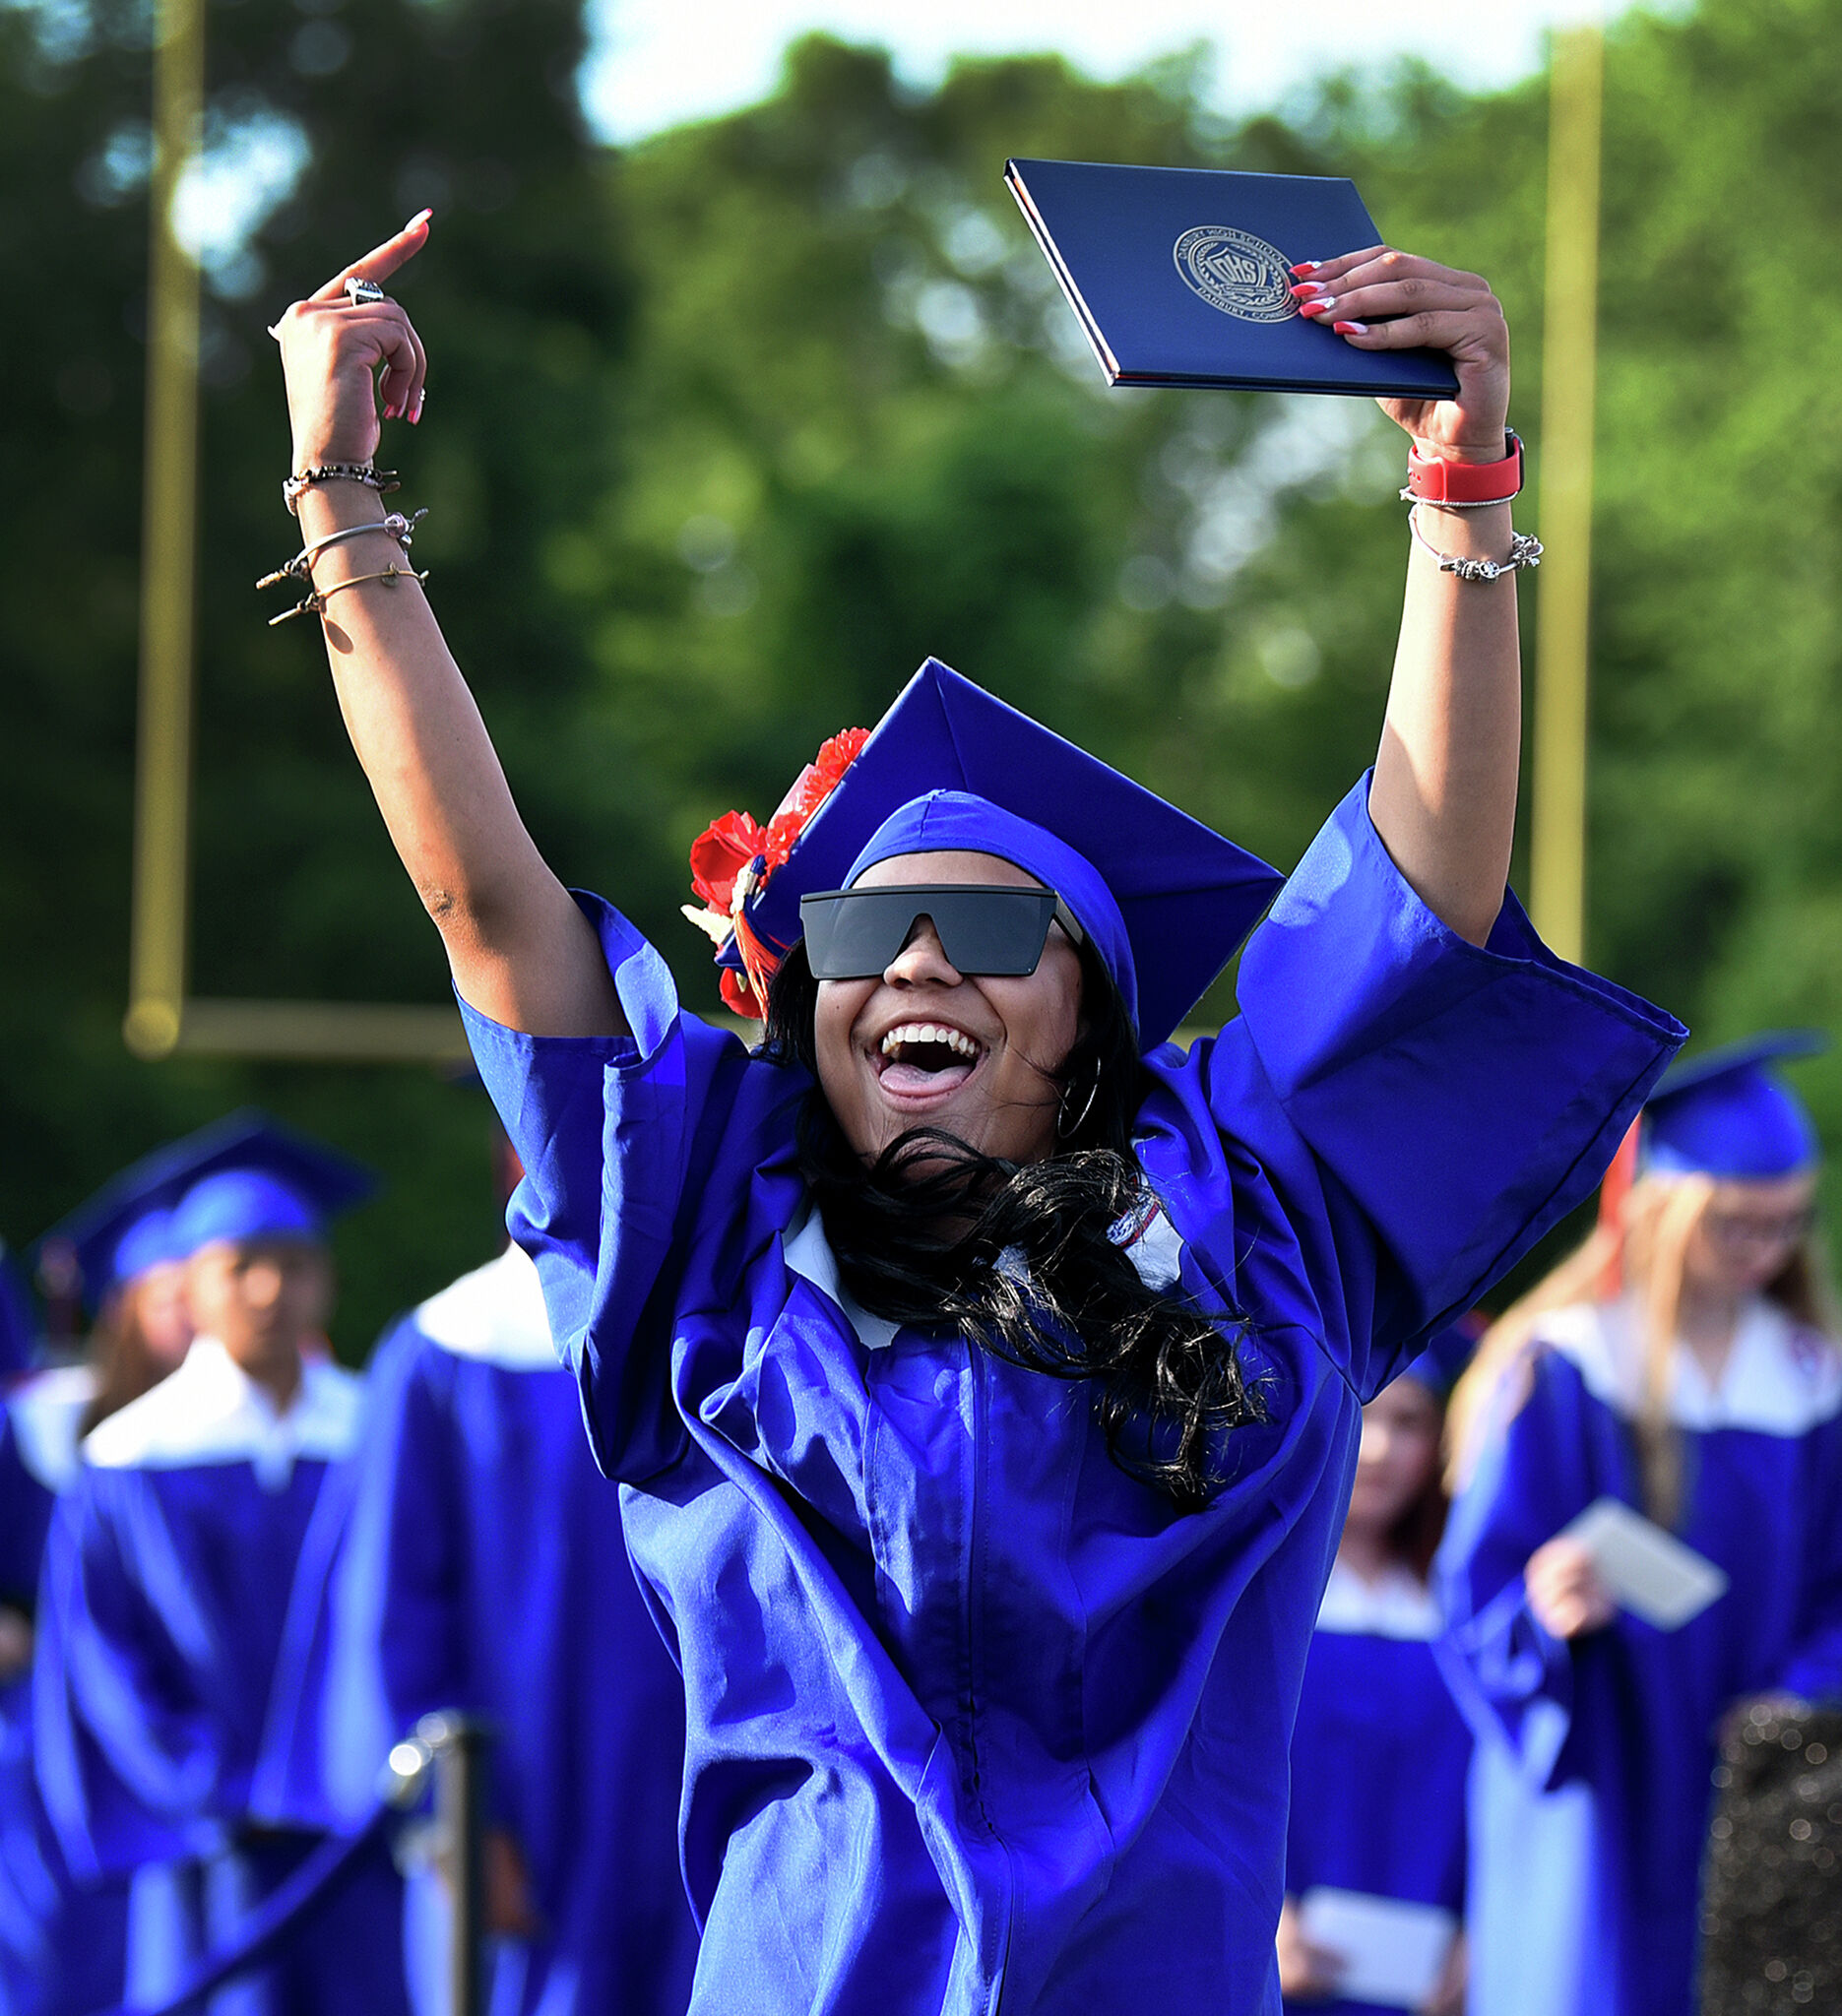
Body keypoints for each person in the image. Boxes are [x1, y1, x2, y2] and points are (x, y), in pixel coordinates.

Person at [268, 214, 1682, 2010]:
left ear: (1089, 1008)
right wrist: (336, 494)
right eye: (865, 926)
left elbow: (1414, 888)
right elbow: (488, 900)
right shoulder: (709, 1214)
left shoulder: (1252, 1210)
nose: (917, 963)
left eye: (992, 927)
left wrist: (1461, 490)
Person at [1437, 1034, 1842, 2016]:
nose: (1765, 1253)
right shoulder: (1566, 1366)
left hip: (1758, 1777)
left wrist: (1799, 1700)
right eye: (1736, 1226)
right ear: (1662, 1210)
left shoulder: (1808, 1376)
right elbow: (1475, 1591)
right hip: (1599, 1774)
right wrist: (1544, 1608)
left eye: (1786, 1225)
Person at [265, 1113, 699, 2016]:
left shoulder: (715, 1335)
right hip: (524, 1809)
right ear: (515, 1152)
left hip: (697, 1805)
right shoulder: (444, 1351)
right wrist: (449, 1829)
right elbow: (390, 1614)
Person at [34, 1124, 412, 2015]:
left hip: (360, 1829)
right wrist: (209, 1784)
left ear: (326, 1276)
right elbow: (103, 1659)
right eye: (240, 1265)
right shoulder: (130, 1459)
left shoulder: (372, 1433)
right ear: (189, 1288)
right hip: (207, 1842)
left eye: (294, 1261)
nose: (271, 1288)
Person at [0, 1116, 270, 2016]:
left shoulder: (274, 1439)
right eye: (168, 1297)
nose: (193, 1318)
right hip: (48, 1759)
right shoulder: (41, 1432)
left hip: (193, 1761)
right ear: (126, 1306)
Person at [1277, 1337, 1474, 2016]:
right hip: (1271, 1961)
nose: (1382, 1449)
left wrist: (1487, 1933)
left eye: (1410, 1423)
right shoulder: (1258, 1603)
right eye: (1364, 1415)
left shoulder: (1465, 1612)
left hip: (1434, 1981)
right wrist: (1254, 1913)